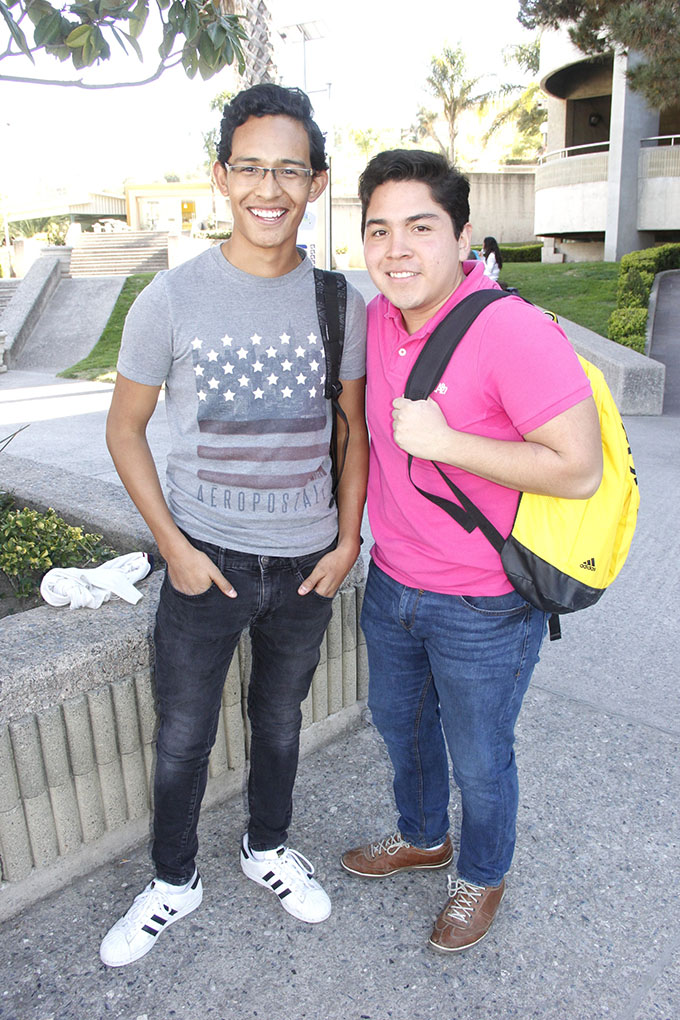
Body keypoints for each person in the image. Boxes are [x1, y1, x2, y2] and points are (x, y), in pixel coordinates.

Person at [100, 83, 368, 968]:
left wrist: (346, 541)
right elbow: (124, 428)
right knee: (182, 730)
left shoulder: (340, 303)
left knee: (281, 718)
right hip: (203, 558)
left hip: (305, 565)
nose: (270, 186)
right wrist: (173, 548)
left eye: (290, 169)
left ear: (317, 183)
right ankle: (173, 881)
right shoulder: (169, 299)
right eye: (251, 165)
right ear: (221, 176)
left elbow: (351, 430)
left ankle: (265, 850)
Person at [340, 150, 602, 953]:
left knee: (481, 757)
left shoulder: (512, 331)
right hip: (393, 584)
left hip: (485, 603)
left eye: (421, 227)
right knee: (399, 725)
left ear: (462, 236)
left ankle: (482, 874)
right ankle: (423, 836)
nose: (397, 249)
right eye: (379, 230)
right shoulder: (377, 316)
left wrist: (448, 442)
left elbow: (579, 468)